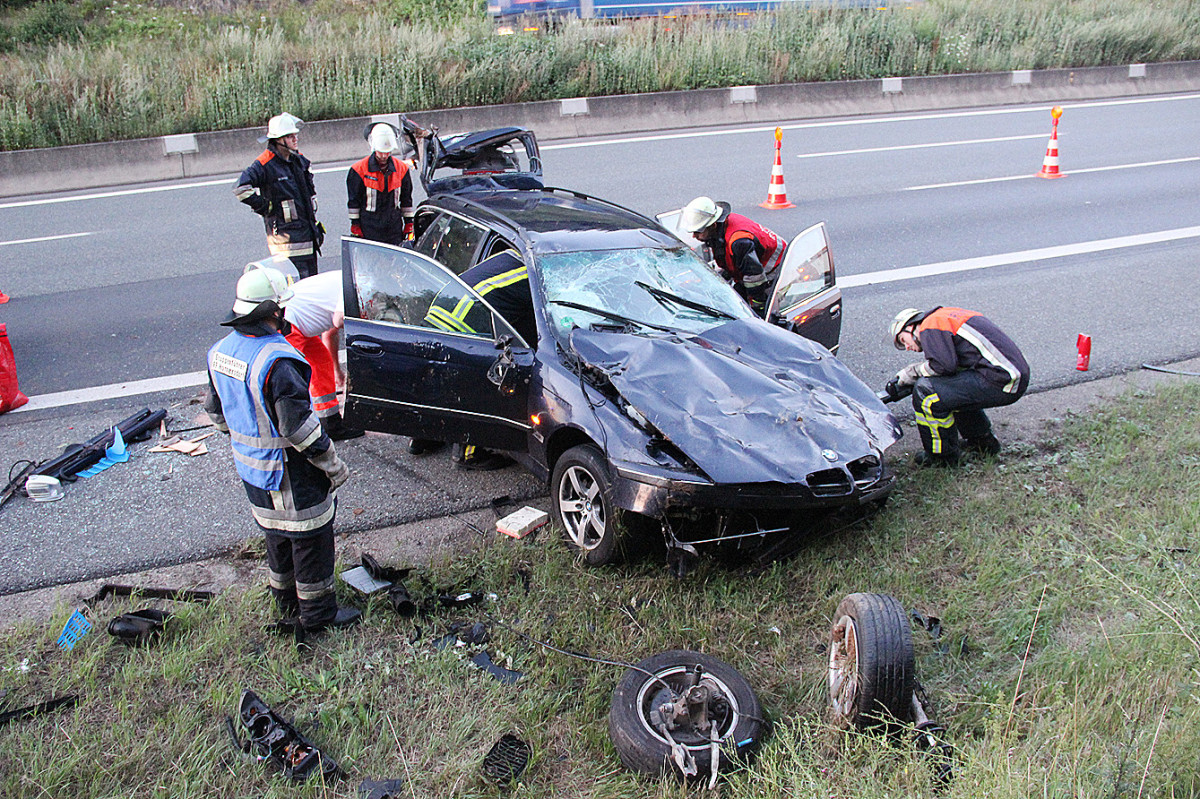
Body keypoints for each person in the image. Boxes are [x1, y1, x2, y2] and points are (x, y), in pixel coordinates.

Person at [204, 265, 360, 631]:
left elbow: (216, 413)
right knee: (310, 540)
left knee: (277, 537)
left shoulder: (220, 351)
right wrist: (332, 464)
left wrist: (246, 437)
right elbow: (299, 429)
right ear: (274, 312)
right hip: (290, 471)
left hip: (252, 470)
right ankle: (318, 615)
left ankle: (286, 602)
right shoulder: (278, 359)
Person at [421, 249, 535, 469]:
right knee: (479, 387)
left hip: (439, 311)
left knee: (435, 382)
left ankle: (423, 437)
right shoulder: (534, 279)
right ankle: (470, 454)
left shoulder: (510, 255)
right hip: (463, 326)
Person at [887, 306, 1030, 467]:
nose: (907, 347)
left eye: (903, 340)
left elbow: (943, 366)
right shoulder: (947, 316)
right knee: (949, 388)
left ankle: (942, 458)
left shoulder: (930, 325)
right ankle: (983, 444)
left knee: (927, 391)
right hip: (1009, 376)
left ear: (910, 326)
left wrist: (912, 372)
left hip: (1002, 380)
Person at [270, 263, 364, 441]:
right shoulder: (354, 283)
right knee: (291, 380)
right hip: (290, 325)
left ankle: (330, 423)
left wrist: (337, 371)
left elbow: (329, 333)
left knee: (321, 364)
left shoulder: (343, 279)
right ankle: (292, 429)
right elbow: (338, 320)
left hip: (297, 324)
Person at [235, 113, 323, 279]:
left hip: (308, 237)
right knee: (294, 292)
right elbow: (240, 188)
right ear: (278, 139)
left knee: (310, 289)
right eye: (290, 137)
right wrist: (266, 207)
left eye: (295, 135)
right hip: (286, 243)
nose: (295, 140)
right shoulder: (265, 163)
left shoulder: (298, 160)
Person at [679, 196, 787, 315]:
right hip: (754, 272)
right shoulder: (721, 227)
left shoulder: (739, 241)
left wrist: (758, 308)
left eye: (698, 231)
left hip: (775, 276)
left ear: (713, 225)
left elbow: (754, 278)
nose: (694, 236)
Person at [347, 123, 414, 246]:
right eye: (381, 152)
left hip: (393, 226)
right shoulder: (359, 170)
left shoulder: (402, 169)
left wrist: (409, 223)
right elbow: (354, 202)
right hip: (369, 226)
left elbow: (406, 200)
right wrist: (355, 225)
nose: (384, 156)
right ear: (373, 147)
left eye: (387, 152)